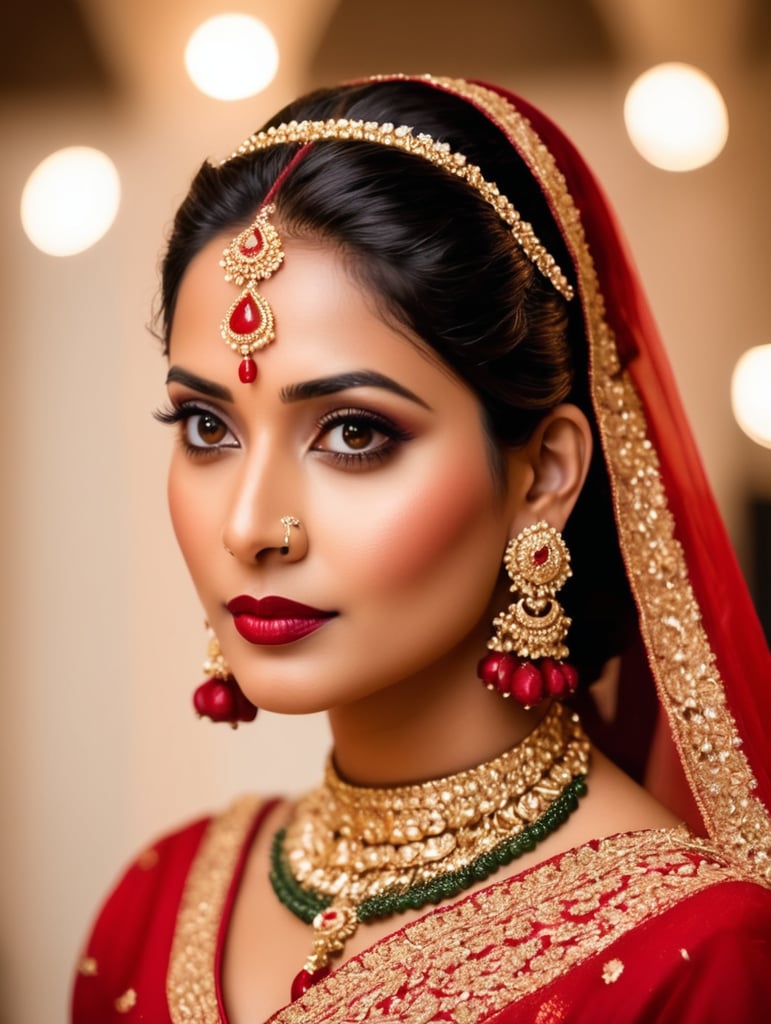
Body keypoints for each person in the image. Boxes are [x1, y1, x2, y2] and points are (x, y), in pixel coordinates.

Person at [71, 75, 771, 1023]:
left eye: (353, 434)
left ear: (541, 476)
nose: (247, 525)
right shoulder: (157, 904)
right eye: (206, 426)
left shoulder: (694, 957)